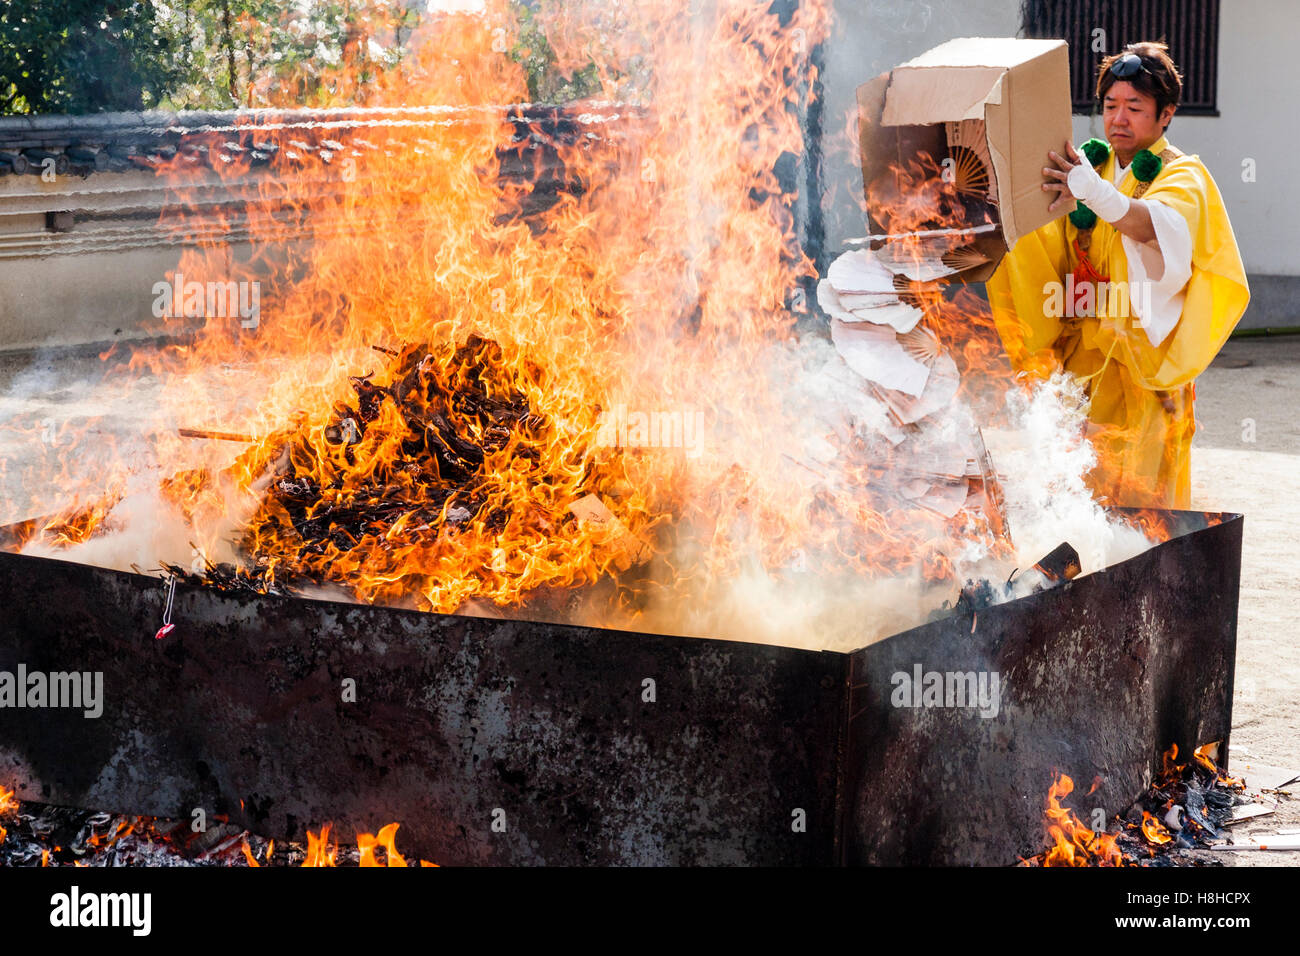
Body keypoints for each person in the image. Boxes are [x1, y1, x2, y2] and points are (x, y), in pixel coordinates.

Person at [985, 41, 1249, 509]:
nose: (1119, 119)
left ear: (1165, 115)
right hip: (1083, 362)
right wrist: (1003, 214)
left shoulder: (1183, 175)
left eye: (1135, 107)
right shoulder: (1085, 166)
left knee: (1142, 502)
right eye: (1110, 106)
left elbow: (1153, 226)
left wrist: (1094, 193)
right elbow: (1043, 243)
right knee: (1075, 493)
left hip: (1145, 372)